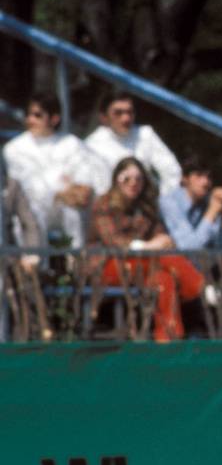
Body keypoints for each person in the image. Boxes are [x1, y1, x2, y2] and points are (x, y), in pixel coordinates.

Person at [88, 157, 203, 341]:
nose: (133, 183)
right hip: (109, 265)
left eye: (138, 179)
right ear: (117, 180)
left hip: (146, 266)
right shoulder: (104, 204)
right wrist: (147, 246)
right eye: (127, 178)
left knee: (164, 280)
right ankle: (201, 289)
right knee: (163, 259)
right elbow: (113, 241)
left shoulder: (146, 207)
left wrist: (164, 241)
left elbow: (159, 235)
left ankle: (168, 340)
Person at [2, 94, 107, 247]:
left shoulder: (72, 143)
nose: (30, 120)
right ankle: (36, 266)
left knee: (74, 209)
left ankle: (75, 263)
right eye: (28, 115)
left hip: (67, 205)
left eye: (37, 115)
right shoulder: (14, 148)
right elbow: (28, 185)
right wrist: (61, 185)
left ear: (54, 118)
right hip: (32, 209)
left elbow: (84, 178)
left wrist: (69, 189)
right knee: (30, 213)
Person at [86, 95, 181, 195]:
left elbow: (172, 171)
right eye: (118, 113)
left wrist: (162, 201)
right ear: (104, 117)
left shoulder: (145, 134)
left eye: (129, 112)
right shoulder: (93, 145)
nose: (126, 118)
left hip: (145, 203)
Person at [159, 154, 222, 250]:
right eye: (199, 175)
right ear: (184, 178)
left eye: (209, 177)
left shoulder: (209, 202)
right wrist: (212, 212)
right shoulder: (169, 202)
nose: (205, 182)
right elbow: (188, 248)